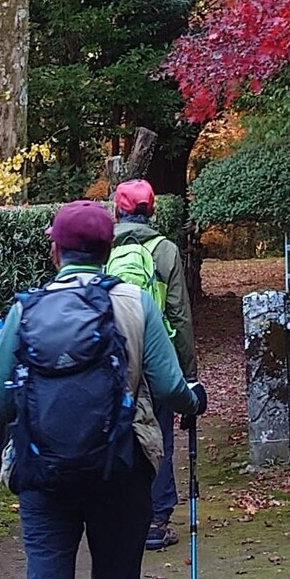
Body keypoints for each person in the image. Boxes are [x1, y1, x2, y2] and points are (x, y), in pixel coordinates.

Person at [0, 200, 206, 579]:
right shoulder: (136, 303)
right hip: (120, 469)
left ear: (56, 252)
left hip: (43, 471)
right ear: (108, 251)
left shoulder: (26, 310)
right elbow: (169, 389)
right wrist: (194, 400)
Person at [110, 177, 197, 551]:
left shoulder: (103, 247)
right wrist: (188, 374)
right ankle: (157, 519)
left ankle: (119, 513)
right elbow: (179, 314)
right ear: (152, 211)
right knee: (159, 434)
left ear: (117, 209)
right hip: (156, 354)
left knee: (116, 429)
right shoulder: (165, 249)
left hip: (113, 356)